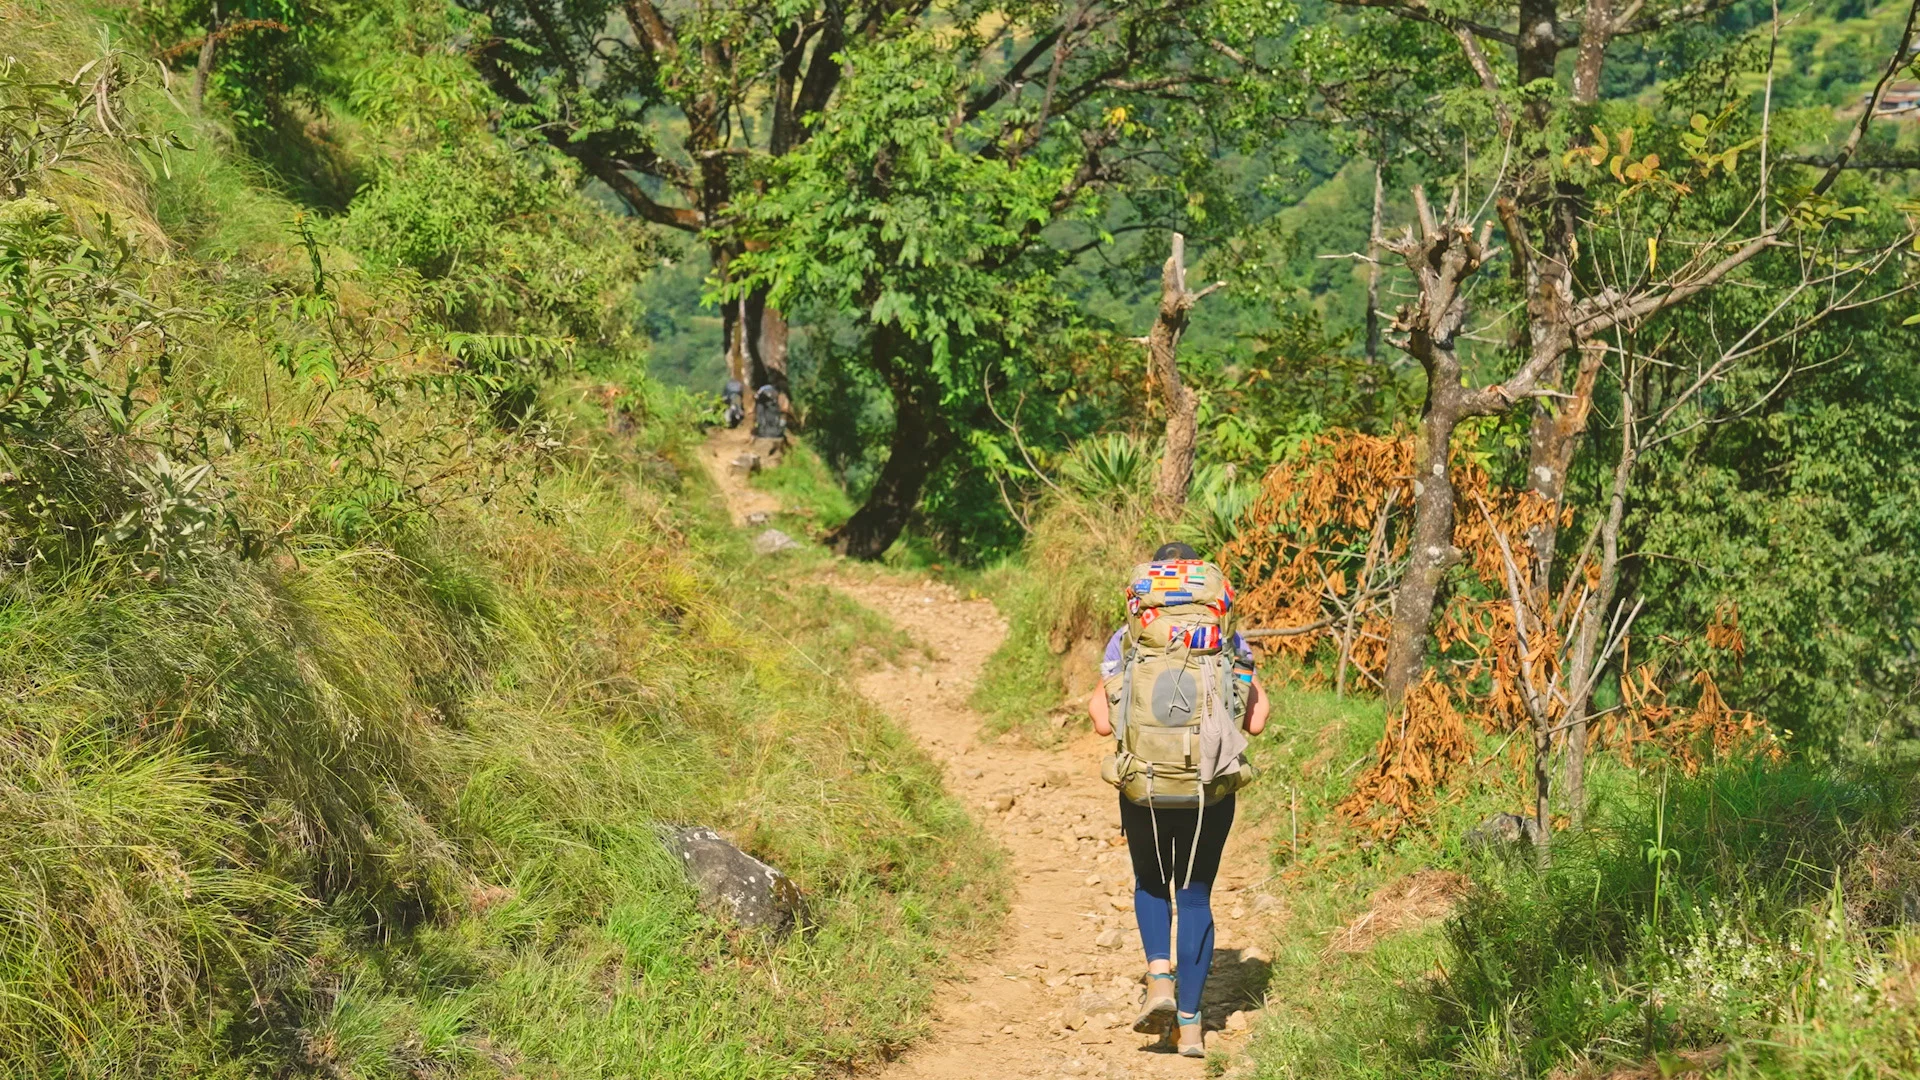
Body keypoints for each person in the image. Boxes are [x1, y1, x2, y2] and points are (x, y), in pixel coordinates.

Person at [1088, 541, 1269, 1058]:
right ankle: (1190, 1029)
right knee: (1194, 895)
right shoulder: (1227, 640)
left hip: (1143, 786)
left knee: (1151, 881)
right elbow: (1256, 719)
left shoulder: (1129, 639)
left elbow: (1103, 722)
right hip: (1208, 789)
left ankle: (1159, 982)